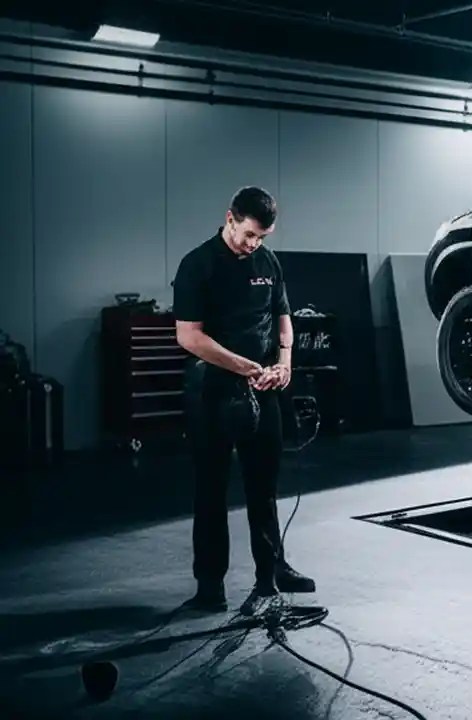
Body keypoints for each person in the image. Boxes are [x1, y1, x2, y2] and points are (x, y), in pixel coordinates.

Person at [173, 186, 315, 615]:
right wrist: (244, 366)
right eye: (249, 234)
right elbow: (189, 336)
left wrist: (285, 361)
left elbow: (282, 318)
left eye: (262, 237)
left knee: (263, 487)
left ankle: (270, 572)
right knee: (211, 488)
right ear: (230, 218)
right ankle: (210, 585)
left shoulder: (268, 262)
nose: (253, 244)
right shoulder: (197, 264)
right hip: (212, 391)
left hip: (262, 387)